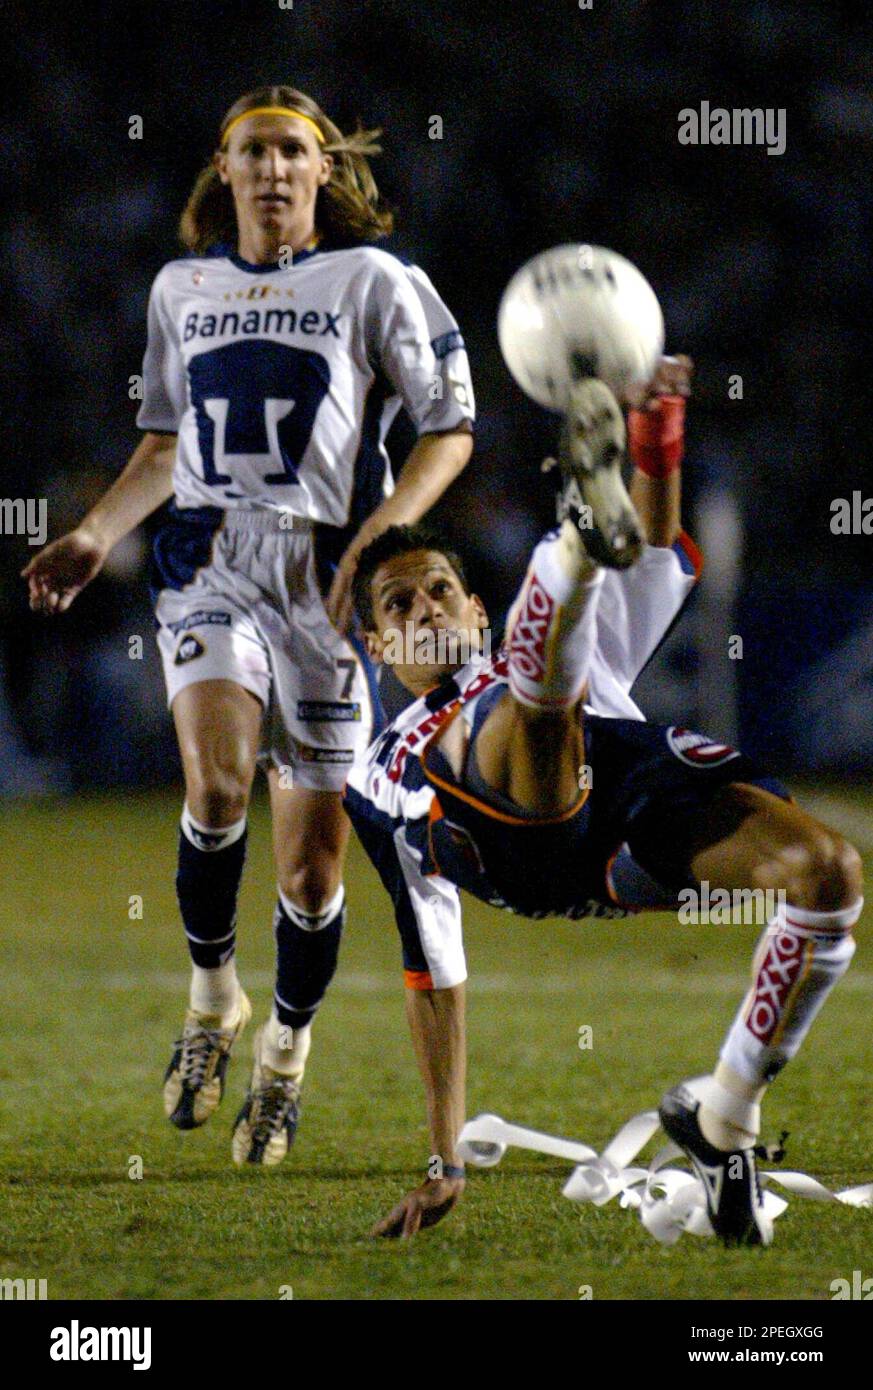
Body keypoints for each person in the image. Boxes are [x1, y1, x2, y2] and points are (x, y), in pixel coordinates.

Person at [21, 84, 474, 1167]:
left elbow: (450, 426)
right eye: (252, 150)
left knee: (313, 880)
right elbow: (167, 444)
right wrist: (93, 533)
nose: (273, 168)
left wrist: (387, 530)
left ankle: (282, 1057)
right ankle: (214, 997)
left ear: (324, 171)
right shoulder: (182, 288)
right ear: (223, 171)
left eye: (292, 151)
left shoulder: (373, 281)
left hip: (326, 574)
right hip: (211, 559)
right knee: (217, 785)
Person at [344, 363, 863, 1244]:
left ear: (473, 608)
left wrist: (657, 423)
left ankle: (723, 1115)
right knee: (529, 705)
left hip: (628, 809)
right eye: (399, 604)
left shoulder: (536, 660)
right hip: (517, 842)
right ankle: (572, 550)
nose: (425, 608)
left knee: (828, 879)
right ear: (376, 643)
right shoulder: (379, 770)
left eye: (438, 590)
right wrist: (445, 1160)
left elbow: (654, 543)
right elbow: (433, 976)